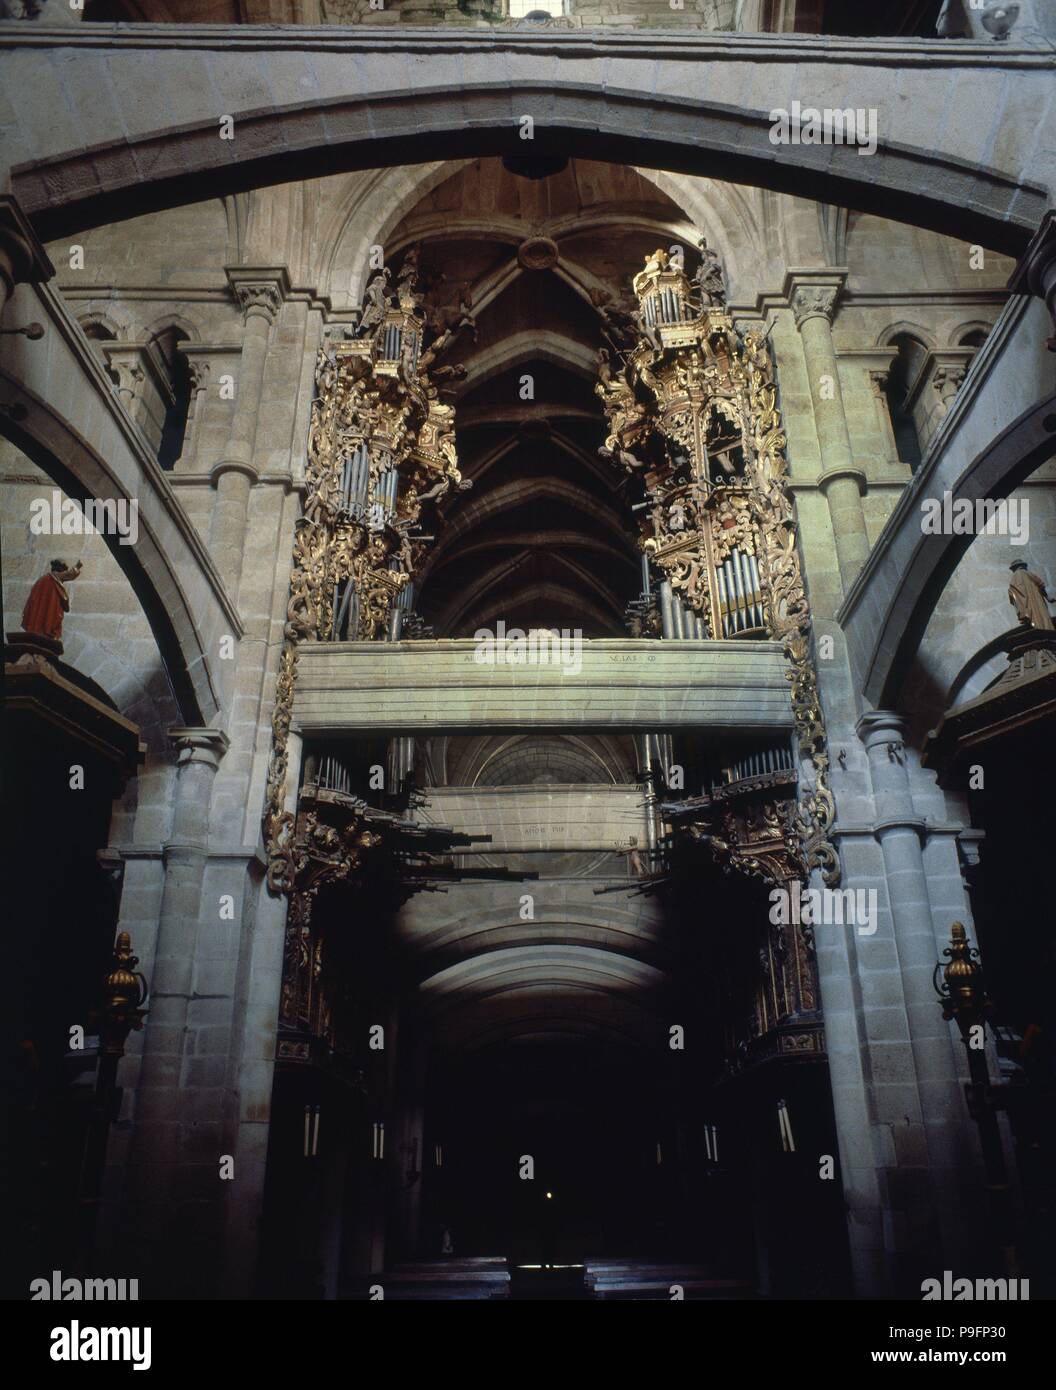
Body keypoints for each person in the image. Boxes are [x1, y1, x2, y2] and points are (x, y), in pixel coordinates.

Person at [21, 558, 82, 642]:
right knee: (50, 623)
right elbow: (69, 574)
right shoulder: (55, 576)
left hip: (40, 610)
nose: (64, 572)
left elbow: (33, 599)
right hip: (52, 608)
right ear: (61, 569)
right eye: (64, 570)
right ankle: (47, 634)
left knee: (39, 620)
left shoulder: (43, 579)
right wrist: (77, 566)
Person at [1008, 560, 1053, 630]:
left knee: (1034, 621)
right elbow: (1041, 584)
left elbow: (1012, 595)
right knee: (1043, 619)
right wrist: (1047, 597)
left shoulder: (1014, 578)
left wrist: (1022, 612)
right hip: (1038, 603)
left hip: (1028, 608)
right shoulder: (1028, 573)